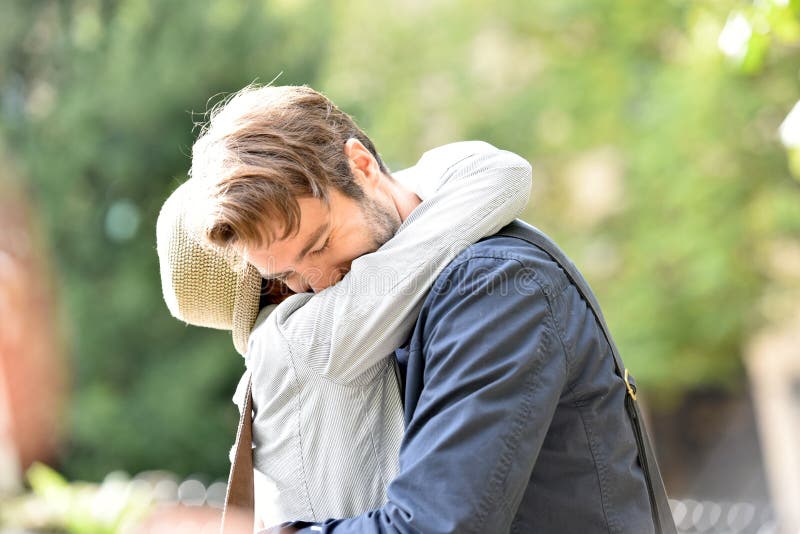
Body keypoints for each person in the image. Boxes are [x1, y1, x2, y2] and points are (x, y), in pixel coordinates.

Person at [168, 84, 666, 533]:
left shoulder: (494, 287)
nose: (319, 286)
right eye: (287, 276)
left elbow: (436, 525)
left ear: (361, 165)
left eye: (320, 245)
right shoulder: (374, 312)